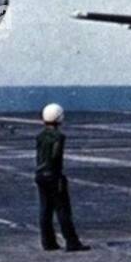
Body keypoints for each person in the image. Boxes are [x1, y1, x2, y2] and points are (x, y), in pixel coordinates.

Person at [35, 103, 89, 252]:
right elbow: (55, 157)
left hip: (40, 175)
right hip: (53, 176)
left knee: (45, 210)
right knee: (63, 210)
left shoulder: (40, 136)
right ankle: (72, 242)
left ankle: (48, 242)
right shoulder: (59, 137)